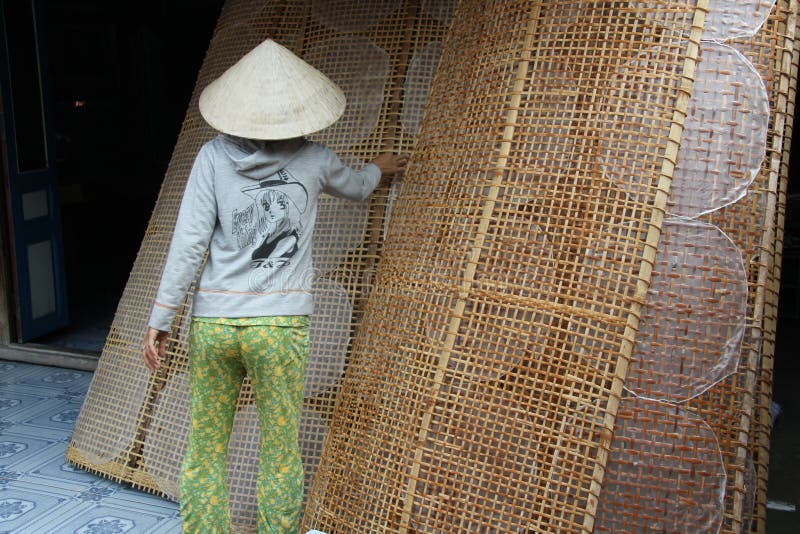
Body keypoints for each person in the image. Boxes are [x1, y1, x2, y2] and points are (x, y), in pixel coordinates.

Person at [142, 39, 408, 533]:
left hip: (215, 326)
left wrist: (161, 317)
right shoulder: (316, 158)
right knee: (280, 451)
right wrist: (380, 169)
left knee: (204, 450)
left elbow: (188, 243)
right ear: (297, 111)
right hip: (279, 328)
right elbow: (358, 188)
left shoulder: (212, 158)